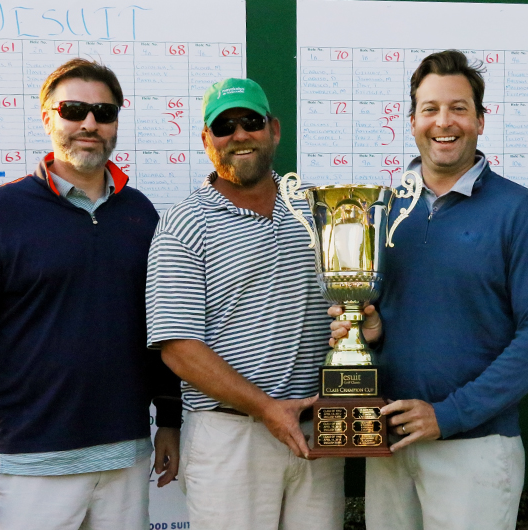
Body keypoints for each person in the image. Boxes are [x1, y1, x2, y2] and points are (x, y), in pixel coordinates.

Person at [0, 58, 181, 529]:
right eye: (74, 109)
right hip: (29, 465)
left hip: (125, 460)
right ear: (48, 118)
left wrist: (169, 419)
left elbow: (160, 330)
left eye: (104, 113)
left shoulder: (140, 215)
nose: (89, 123)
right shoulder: (1, 211)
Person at [330, 49, 528, 530]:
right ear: (412, 120)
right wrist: (371, 333)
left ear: (480, 120)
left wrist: (451, 414)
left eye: (459, 108)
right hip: (390, 443)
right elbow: (393, 318)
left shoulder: (519, 210)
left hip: (474, 449)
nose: (444, 122)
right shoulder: (382, 210)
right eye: (431, 109)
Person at [145, 77, 344, 530]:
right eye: (224, 126)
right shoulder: (183, 222)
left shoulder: (319, 208)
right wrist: (267, 408)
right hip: (230, 436)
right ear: (206, 140)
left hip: (317, 429)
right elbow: (178, 347)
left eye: (250, 121)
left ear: (273, 129)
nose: (238, 134)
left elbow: (353, 305)